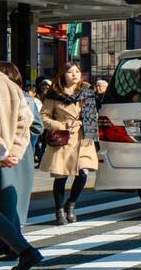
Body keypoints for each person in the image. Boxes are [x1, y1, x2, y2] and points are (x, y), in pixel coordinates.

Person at [0, 36, 41, 270]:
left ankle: (25, 250)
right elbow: (24, 122)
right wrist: (11, 151)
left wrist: (2, 151)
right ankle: (23, 250)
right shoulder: (8, 84)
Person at [38, 62, 100, 224]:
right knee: (61, 176)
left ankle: (71, 204)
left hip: (83, 137)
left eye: (77, 71)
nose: (74, 74)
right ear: (63, 74)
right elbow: (43, 117)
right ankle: (59, 209)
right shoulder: (54, 94)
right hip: (63, 139)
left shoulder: (87, 92)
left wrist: (82, 123)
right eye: (70, 72)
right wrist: (61, 125)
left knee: (84, 173)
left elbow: (93, 114)